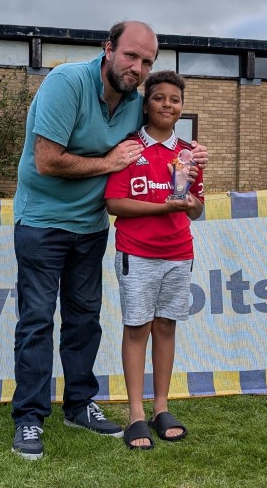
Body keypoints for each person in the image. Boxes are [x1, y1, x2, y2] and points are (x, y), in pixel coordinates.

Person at [10, 22, 209, 460]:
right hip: (42, 222)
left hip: (91, 227)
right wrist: (108, 161)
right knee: (38, 321)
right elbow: (46, 160)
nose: (137, 68)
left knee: (85, 320)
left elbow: (160, 138)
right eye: (131, 56)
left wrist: (191, 156)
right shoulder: (66, 82)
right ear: (108, 50)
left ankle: (79, 405)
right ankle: (29, 417)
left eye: (147, 62)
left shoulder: (135, 101)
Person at [104, 70, 204, 450]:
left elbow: (196, 209)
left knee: (166, 328)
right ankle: (135, 414)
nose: (167, 104)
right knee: (137, 329)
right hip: (138, 253)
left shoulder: (190, 155)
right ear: (146, 104)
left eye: (174, 99)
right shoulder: (130, 148)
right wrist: (163, 205)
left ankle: (161, 407)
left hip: (179, 252)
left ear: (182, 107)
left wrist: (189, 201)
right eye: (159, 97)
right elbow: (114, 203)